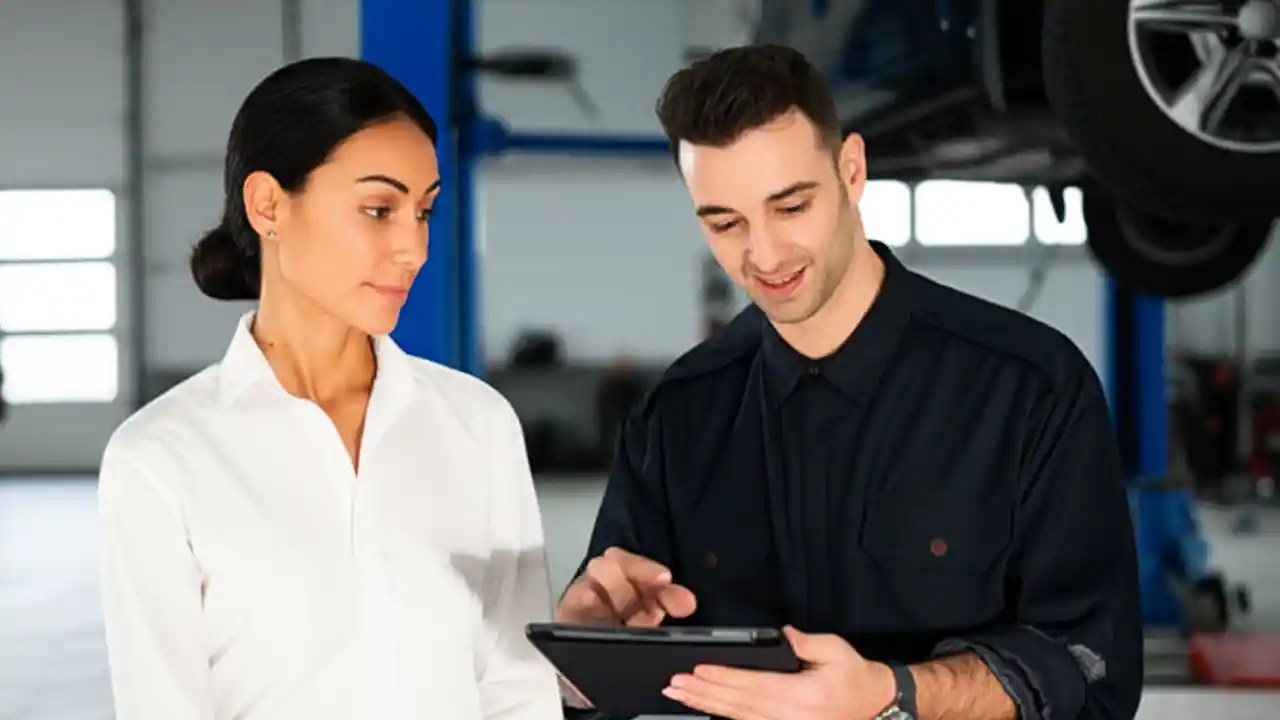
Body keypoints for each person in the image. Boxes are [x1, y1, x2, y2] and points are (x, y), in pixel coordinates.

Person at [556, 45, 1142, 720]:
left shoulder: (1031, 391)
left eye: (791, 206)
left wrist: (897, 694)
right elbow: (606, 693)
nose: (765, 254)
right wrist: (586, 659)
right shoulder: (674, 420)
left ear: (852, 170)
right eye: (726, 223)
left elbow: (1092, 670)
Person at [96, 58, 560, 720]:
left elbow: (519, 689)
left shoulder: (476, 425)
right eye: (379, 209)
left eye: (423, 211)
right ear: (268, 205)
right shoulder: (159, 459)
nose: (414, 248)